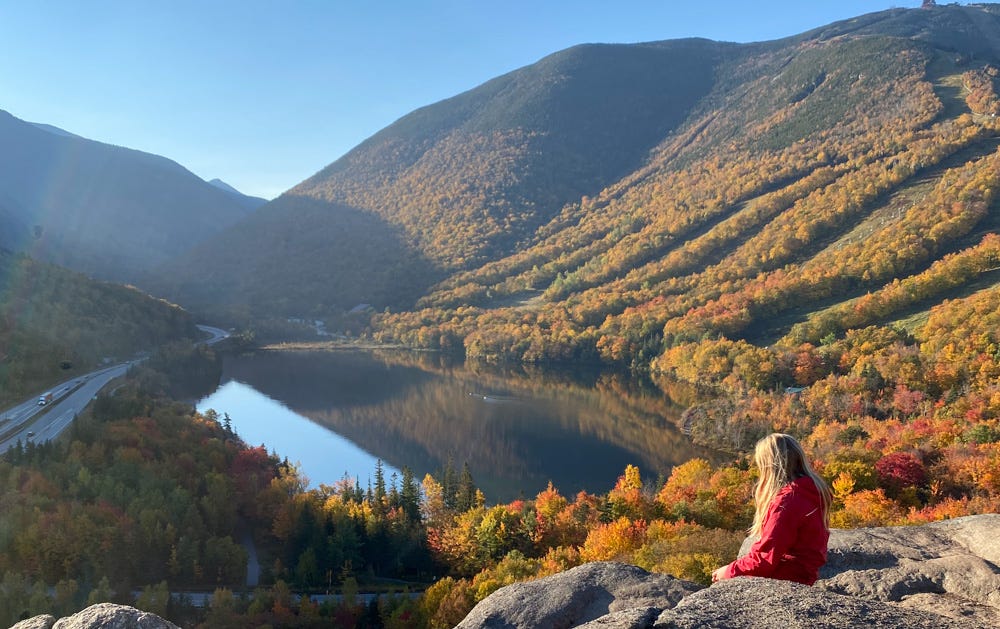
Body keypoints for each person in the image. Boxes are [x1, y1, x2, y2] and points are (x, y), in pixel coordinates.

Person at [711, 433, 833, 586]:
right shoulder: (812, 490)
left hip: (786, 579)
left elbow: (765, 560)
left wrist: (728, 571)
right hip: (803, 576)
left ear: (768, 466)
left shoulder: (787, 502)